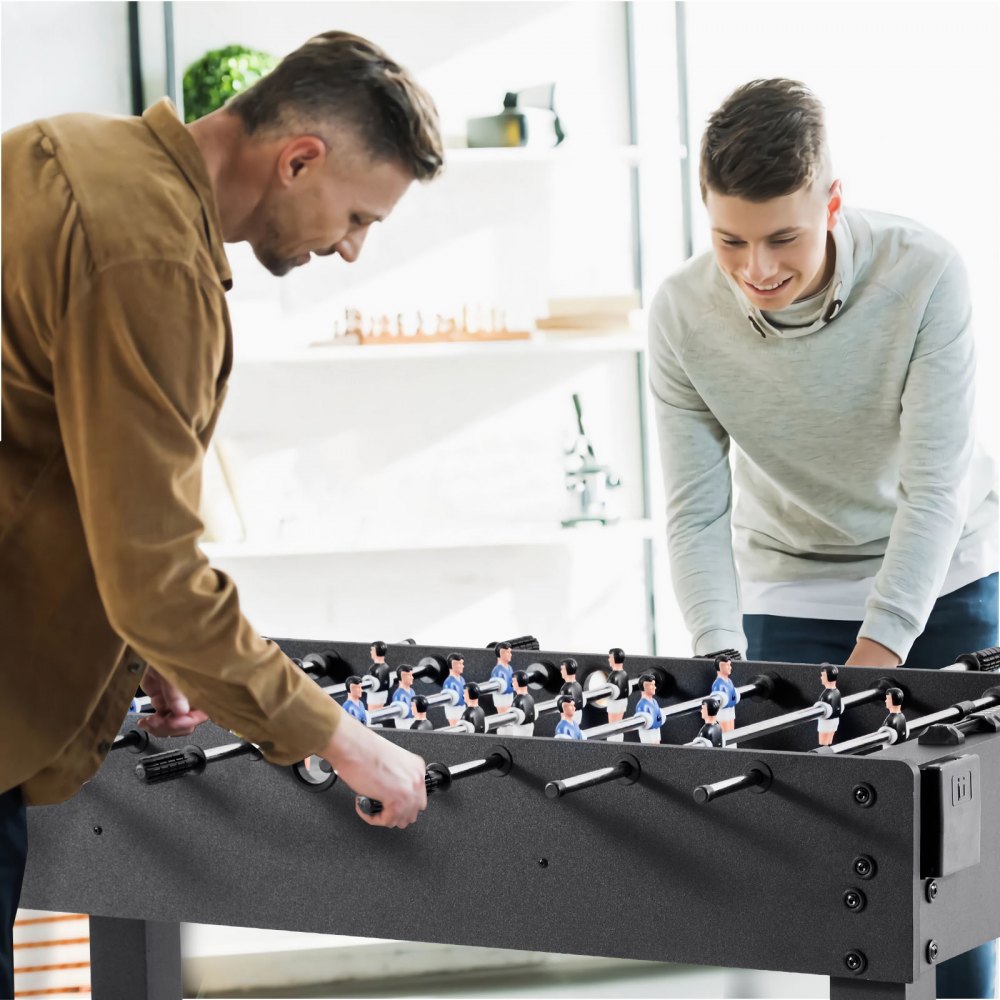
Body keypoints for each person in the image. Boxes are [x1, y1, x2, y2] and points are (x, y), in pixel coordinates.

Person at [1, 29, 444, 998]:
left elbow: (53, 456)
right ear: (298, 159)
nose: (352, 246)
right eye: (359, 214)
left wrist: (140, 652)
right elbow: (157, 574)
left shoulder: (59, 147)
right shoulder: (151, 260)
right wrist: (348, 743)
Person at [648, 77, 997, 997]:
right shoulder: (682, 313)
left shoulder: (926, 273)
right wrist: (719, 661)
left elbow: (935, 489)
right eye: (730, 240)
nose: (757, 268)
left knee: (955, 884)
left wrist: (880, 653)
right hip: (792, 587)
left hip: (945, 580)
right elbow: (693, 510)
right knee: (853, 885)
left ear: (831, 202)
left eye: (783, 238)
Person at [634, 672, 664, 744]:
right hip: (648, 735)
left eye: (654, 685)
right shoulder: (642, 705)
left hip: (656, 731)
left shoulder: (654, 701)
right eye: (652, 685)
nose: (655, 687)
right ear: (645, 686)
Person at [816, 664, 842, 747]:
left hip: (826, 723)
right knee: (828, 744)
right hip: (834, 721)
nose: (821, 678)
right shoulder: (837, 692)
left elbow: (820, 709)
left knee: (823, 744)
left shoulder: (826, 695)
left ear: (828, 677)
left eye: (822, 675)